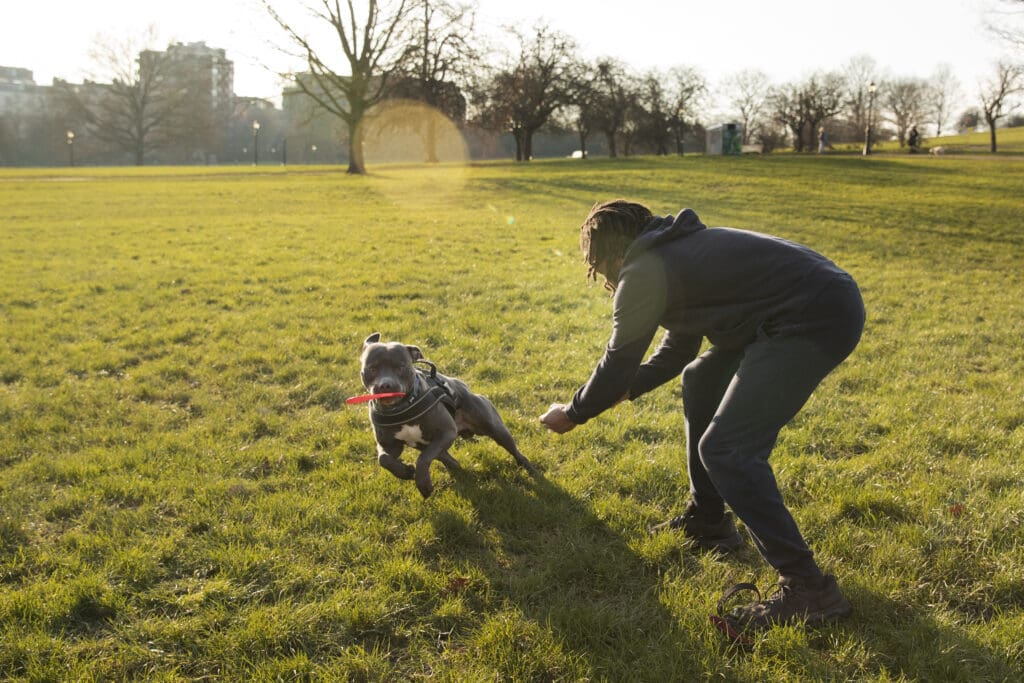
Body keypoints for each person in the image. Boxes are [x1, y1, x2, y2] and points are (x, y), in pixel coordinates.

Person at [540, 200, 865, 631]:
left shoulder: (644, 271)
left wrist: (574, 411)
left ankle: (809, 588)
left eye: (599, 268)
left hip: (811, 315)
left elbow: (619, 361)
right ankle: (709, 520)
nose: (603, 279)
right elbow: (677, 352)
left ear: (612, 253)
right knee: (701, 379)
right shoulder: (674, 255)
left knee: (728, 450)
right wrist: (621, 393)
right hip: (818, 301)